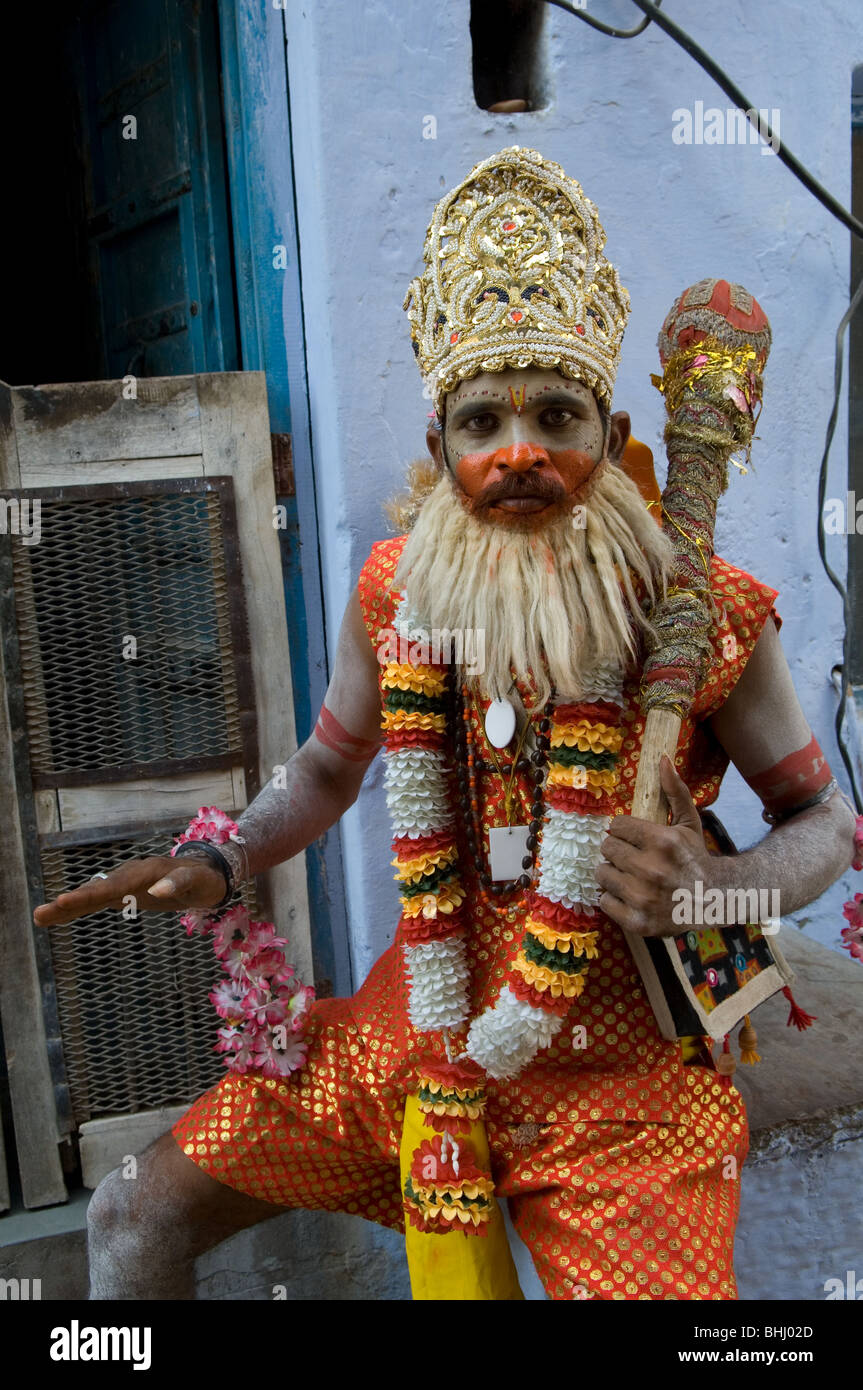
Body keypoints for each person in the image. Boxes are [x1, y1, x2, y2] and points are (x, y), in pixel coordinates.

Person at [35, 146, 856, 1301]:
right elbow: (326, 768)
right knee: (129, 1214)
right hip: (420, 1037)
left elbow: (822, 819)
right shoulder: (392, 592)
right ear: (440, 449)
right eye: (482, 421)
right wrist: (223, 860)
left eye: (554, 414)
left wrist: (711, 894)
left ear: (611, 429)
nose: (518, 450)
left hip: (627, 1082)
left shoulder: (698, 607)